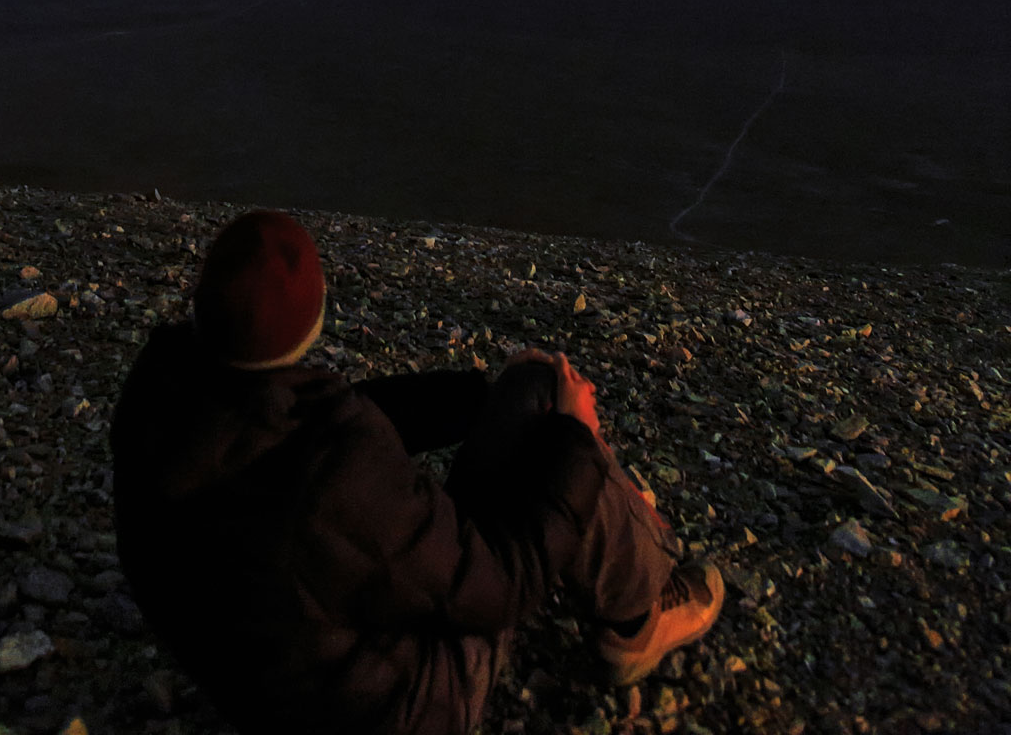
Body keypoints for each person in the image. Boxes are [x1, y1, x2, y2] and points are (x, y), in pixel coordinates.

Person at [110, 209, 724, 735]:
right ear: (314, 321)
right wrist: (575, 444)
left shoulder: (160, 405)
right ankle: (638, 616)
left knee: (526, 396)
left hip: (258, 683)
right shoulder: (336, 473)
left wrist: (475, 399)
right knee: (554, 419)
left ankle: (627, 534)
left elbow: (312, 418)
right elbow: (501, 587)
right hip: (400, 706)